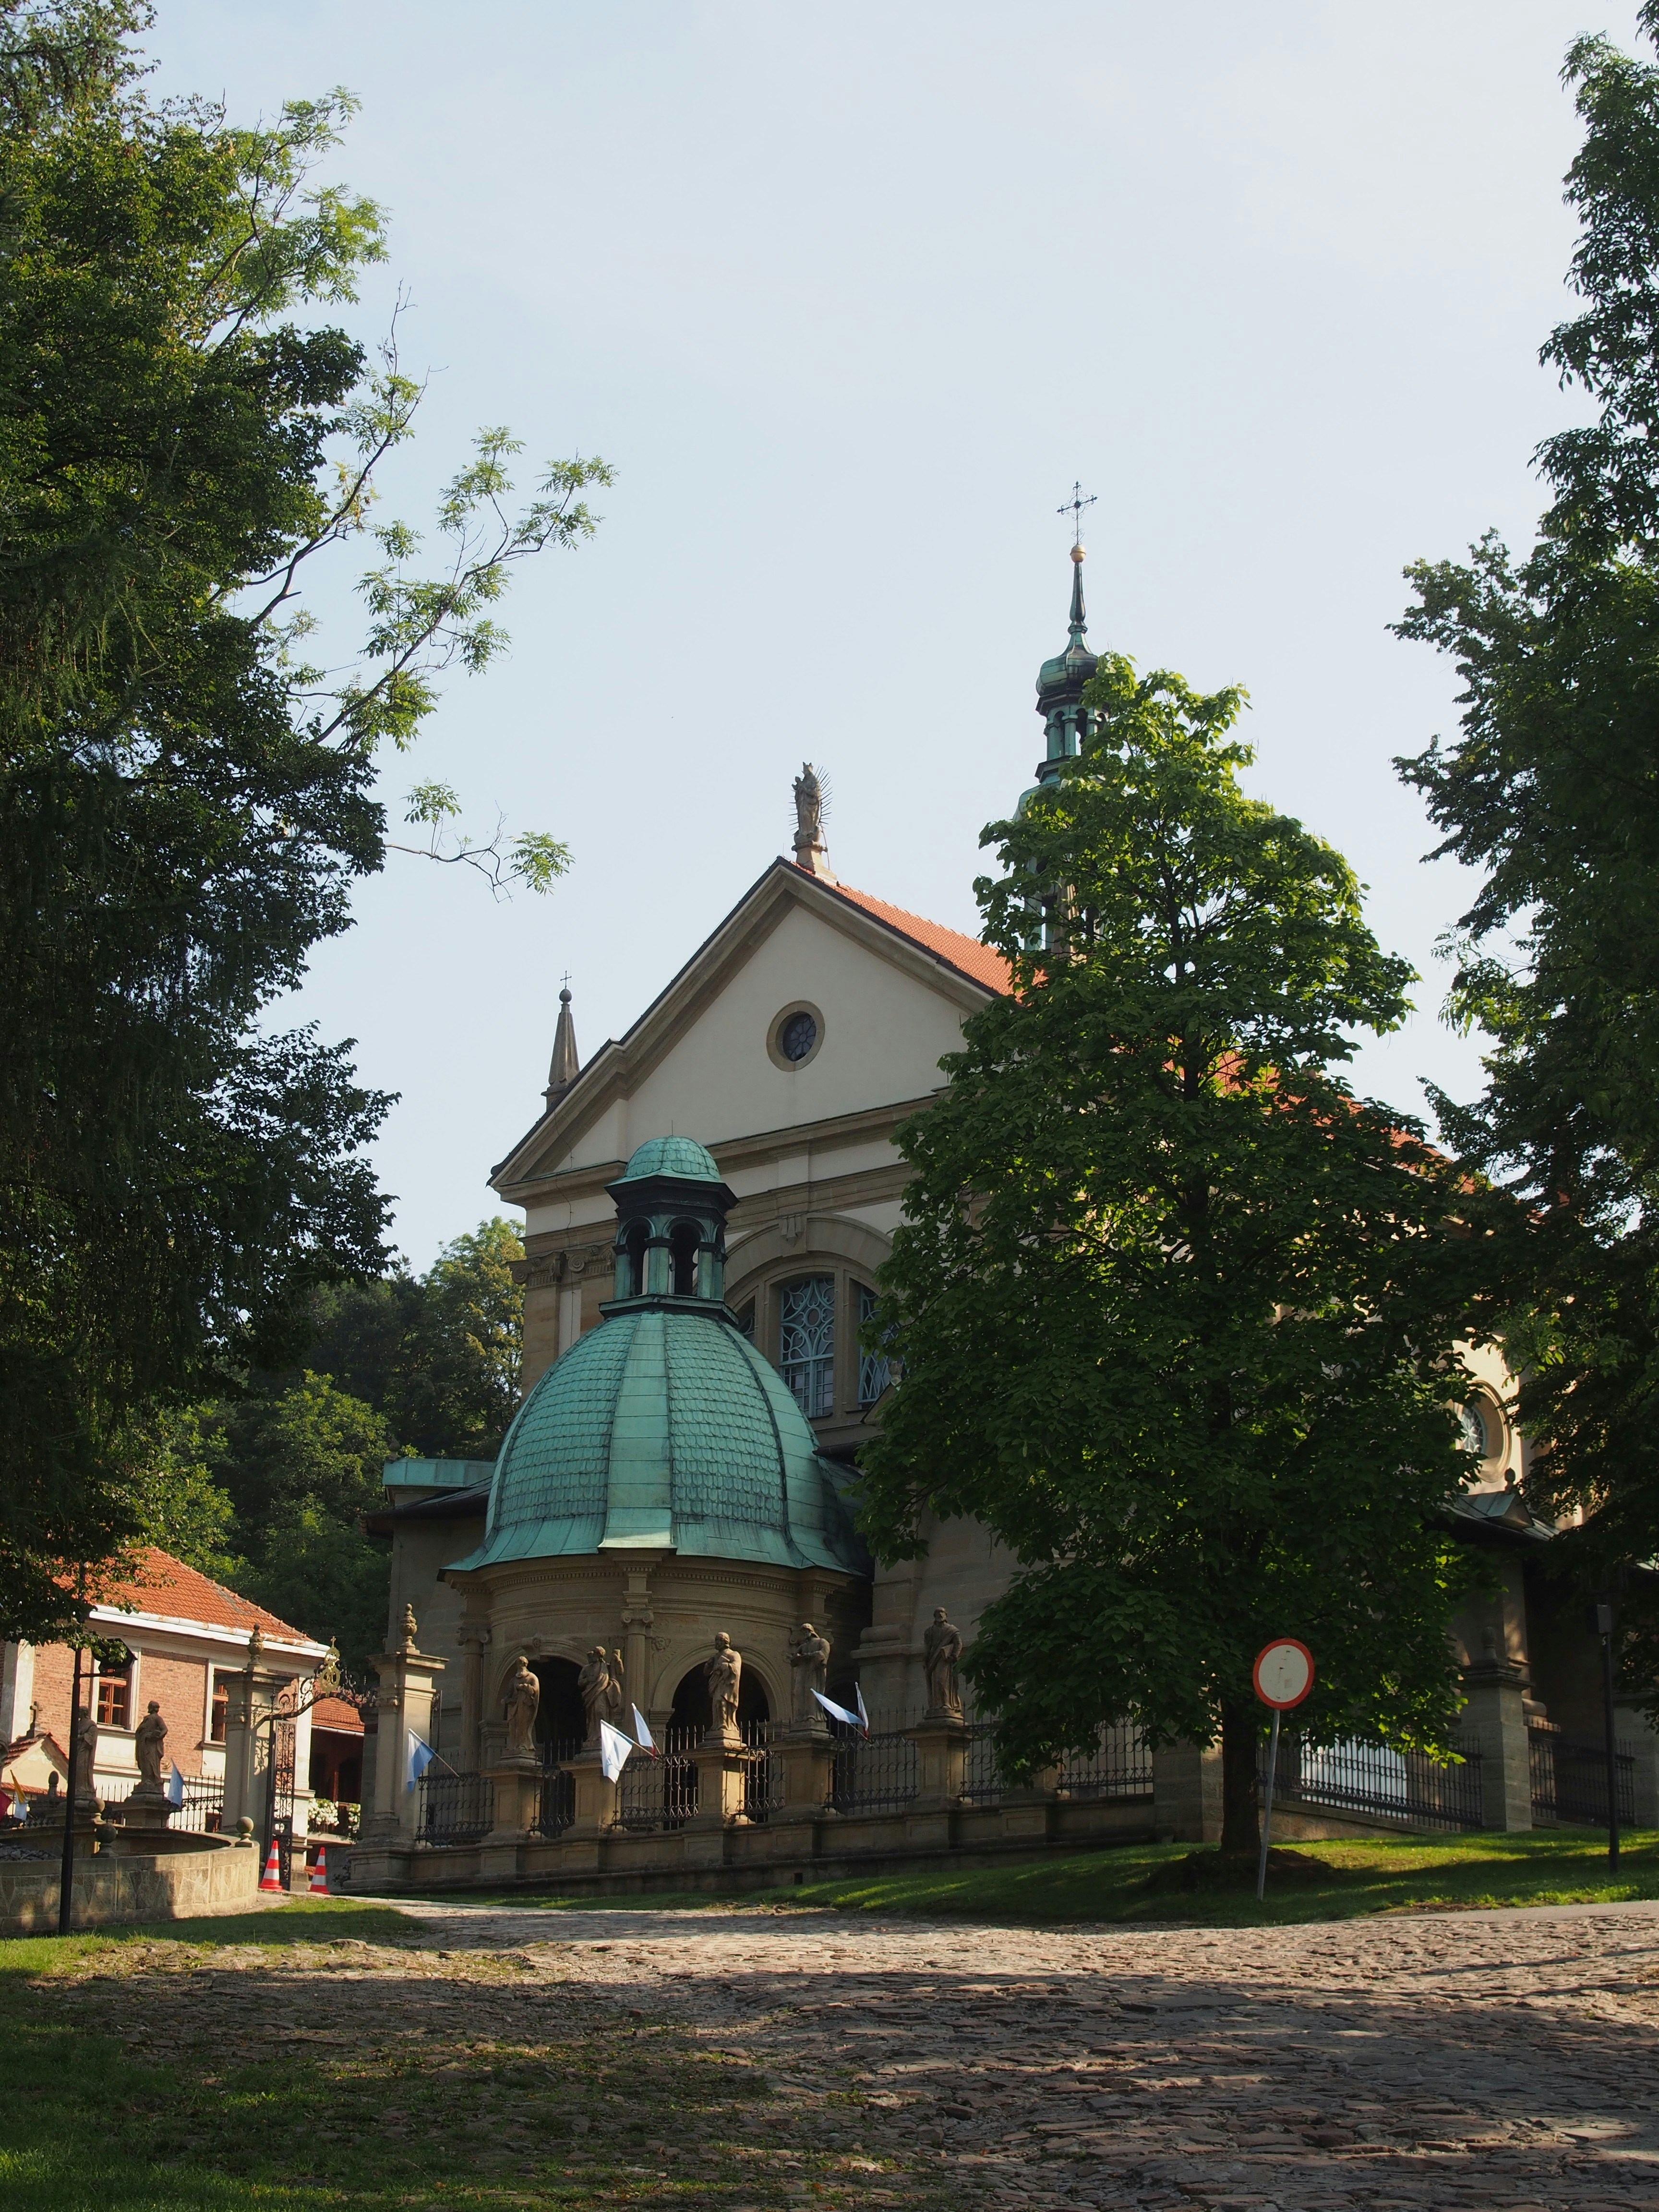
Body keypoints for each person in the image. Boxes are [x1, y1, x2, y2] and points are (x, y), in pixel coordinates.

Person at [504, 1654, 541, 1756]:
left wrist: (524, 1687)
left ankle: (524, 1745)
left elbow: (535, 1690)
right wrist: (506, 1699)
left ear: (525, 1665)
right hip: (514, 1706)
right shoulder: (513, 1680)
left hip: (525, 1705)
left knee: (523, 1724)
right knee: (513, 1725)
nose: (520, 1666)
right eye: (518, 1664)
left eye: (522, 1664)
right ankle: (513, 1746)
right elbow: (509, 1693)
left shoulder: (532, 1677)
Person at [705, 1633, 742, 1735]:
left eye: (719, 1641)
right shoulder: (716, 1656)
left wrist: (724, 1665)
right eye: (716, 1640)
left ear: (726, 1642)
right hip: (717, 1683)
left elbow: (736, 1668)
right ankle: (717, 1724)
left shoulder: (733, 1655)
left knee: (722, 1702)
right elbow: (707, 1673)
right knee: (716, 1704)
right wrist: (709, 1665)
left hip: (727, 1684)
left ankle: (725, 1725)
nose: (717, 1643)